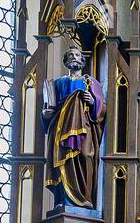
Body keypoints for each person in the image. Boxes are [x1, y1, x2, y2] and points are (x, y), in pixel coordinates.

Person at [42, 44, 106, 209]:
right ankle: (63, 200)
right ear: (65, 61)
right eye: (70, 55)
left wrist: (92, 102)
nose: (73, 58)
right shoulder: (58, 83)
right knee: (63, 161)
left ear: (82, 60)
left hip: (83, 129)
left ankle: (84, 198)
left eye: (77, 55)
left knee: (85, 156)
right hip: (61, 128)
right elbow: (49, 108)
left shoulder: (90, 82)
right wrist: (46, 114)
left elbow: (102, 109)